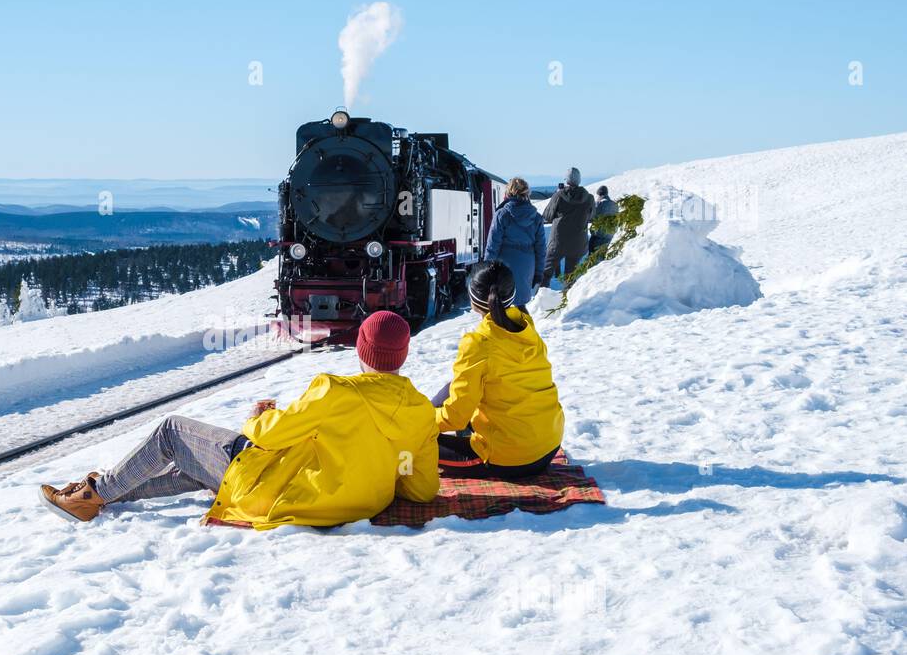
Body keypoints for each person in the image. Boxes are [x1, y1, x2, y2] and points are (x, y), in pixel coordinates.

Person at [40, 310, 439, 529]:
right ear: (402, 355)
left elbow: (268, 435)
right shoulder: (421, 411)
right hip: (354, 504)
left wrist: (259, 415)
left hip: (284, 493)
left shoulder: (337, 392)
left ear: (361, 350)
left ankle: (94, 495)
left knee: (172, 432)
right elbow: (421, 489)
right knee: (199, 466)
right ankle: (109, 494)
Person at [429, 261, 565, 479]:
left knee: (416, 443)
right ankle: (419, 415)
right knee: (453, 386)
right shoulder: (527, 329)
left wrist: (423, 421)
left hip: (509, 459)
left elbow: (455, 417)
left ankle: (415, 420)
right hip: (548, 443)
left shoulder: (478, 343)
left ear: (473, 298)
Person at [484, 177, 547, 306]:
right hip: (527, 265)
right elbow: (541, 249)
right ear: (527, 193)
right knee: (520, 304)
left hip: (504, 265)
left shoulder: (502, 214)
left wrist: (487, 269)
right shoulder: (536, 218)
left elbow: (493, 244)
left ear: (509, 193)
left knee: (503, 304)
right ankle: (522, 325)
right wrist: (539, 273)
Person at [541, 167, 595, 283]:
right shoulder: (589, 198)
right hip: (578, 243)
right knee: (570, 276)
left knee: (546, 273)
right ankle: (568, 298)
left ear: (566, 180)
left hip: (558, 242)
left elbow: (547, 216)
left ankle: (541, 297)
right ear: (579, 180)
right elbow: (592, 217)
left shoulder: (559, 196)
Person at [588, 185, 620, 254]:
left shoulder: (599, 203)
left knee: (592, 256)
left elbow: (592, 218)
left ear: (599, 194)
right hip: (610, 235)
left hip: (598, 236)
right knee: (602, 255)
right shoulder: (615, 204)